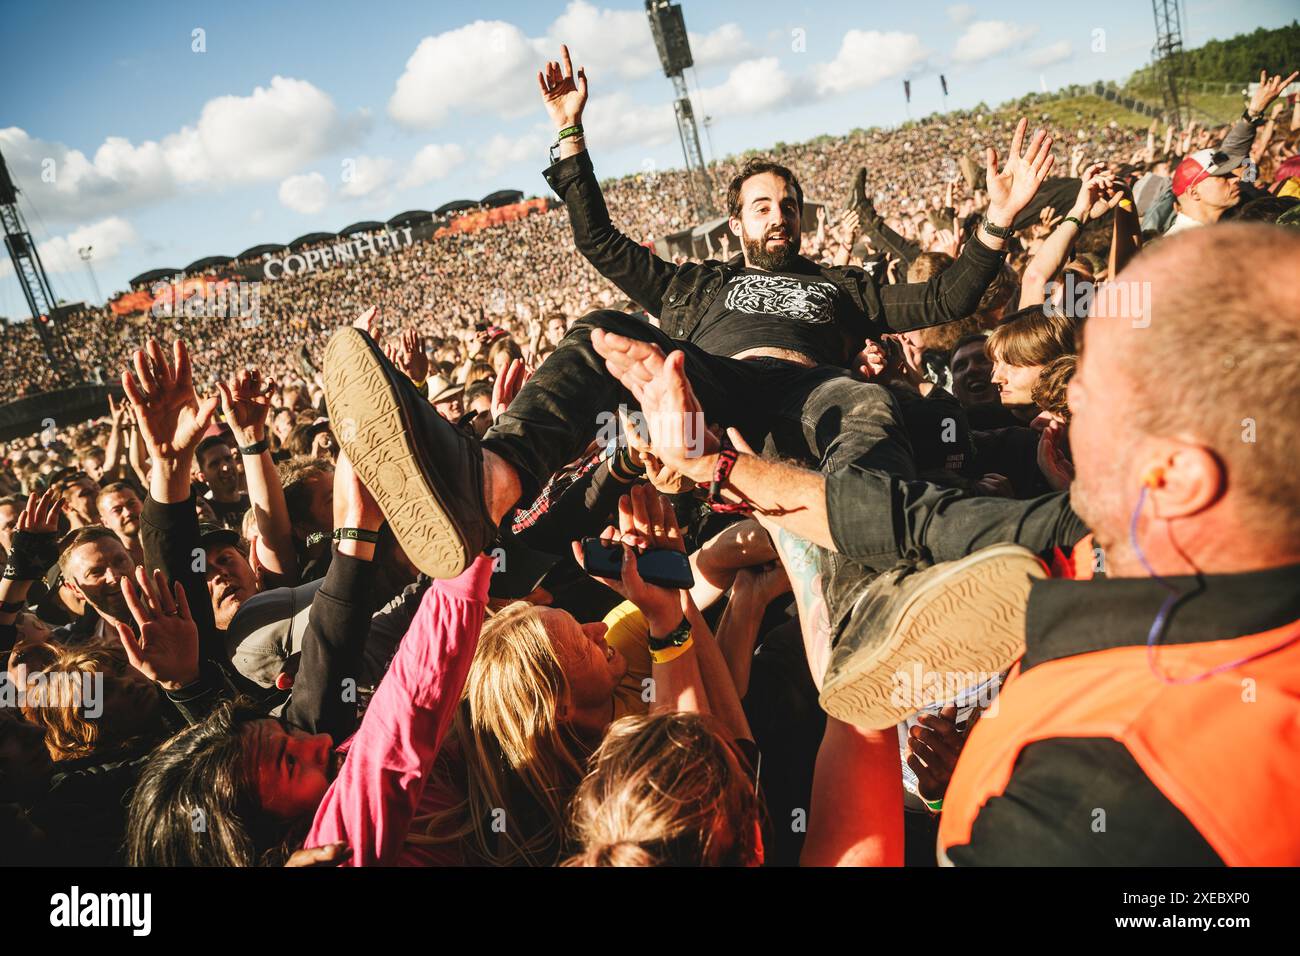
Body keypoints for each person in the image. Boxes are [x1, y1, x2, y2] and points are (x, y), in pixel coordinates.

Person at [320, 44, 1056, 584]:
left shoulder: (842, 286)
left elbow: (947, 299)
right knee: (599, 333)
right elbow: (599, 242)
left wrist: (997, 220)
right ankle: (492, 479)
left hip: (812, 394)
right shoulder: (696, 286)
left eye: (789, 207)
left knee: (865, 405)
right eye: (762, 206)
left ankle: (888, 570)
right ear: (737, 222)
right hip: (713, 389)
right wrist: (570, 135)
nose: (779, 217)